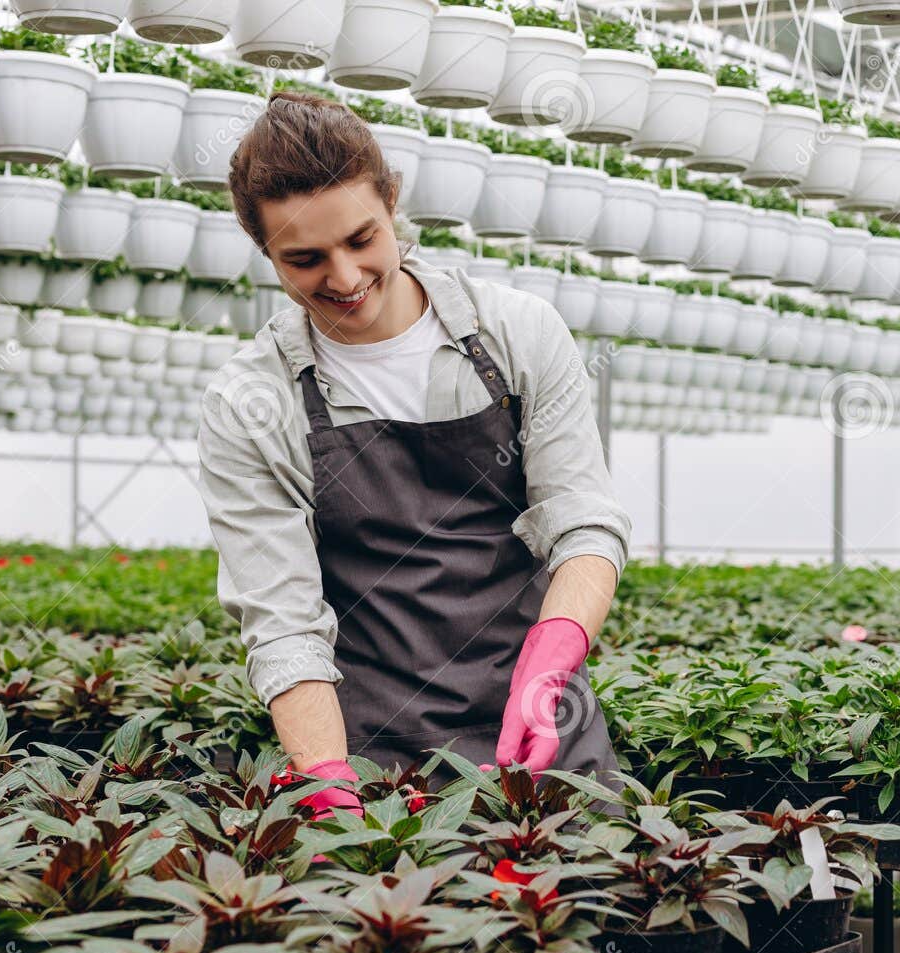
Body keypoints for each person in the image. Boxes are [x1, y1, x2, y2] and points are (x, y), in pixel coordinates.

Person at [196, 92, 631, 815]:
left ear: (392, 201)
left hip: (546, 733)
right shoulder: (253, 400)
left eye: (362, 239)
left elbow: (582, 521)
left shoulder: (515, 335)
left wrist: (551, 659)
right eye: (304, 258)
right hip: (378, 759)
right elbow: (283, 622)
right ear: (265, 252)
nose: (343, 278)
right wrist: (326, 776)